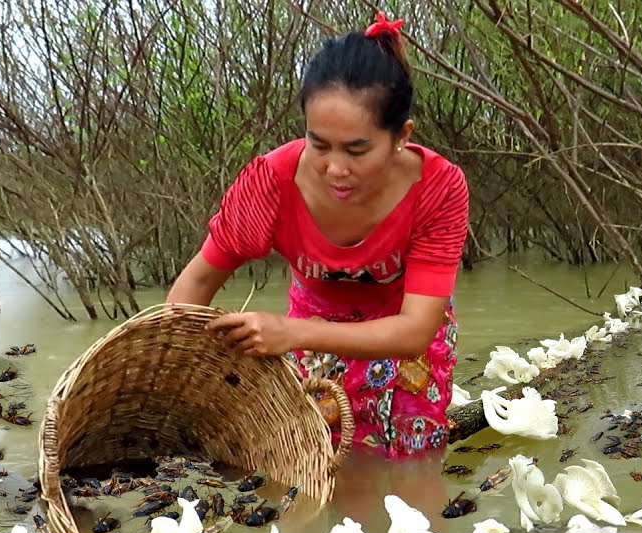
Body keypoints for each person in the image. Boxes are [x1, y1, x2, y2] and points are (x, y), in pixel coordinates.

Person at [166, 12, 470, 461]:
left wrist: (291, 332)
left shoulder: (438, 189)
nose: (335, 169)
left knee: (414, 465)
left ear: (401, 137)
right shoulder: (270, 184)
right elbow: (192, 288)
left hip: (399, 331)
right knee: (326, 463)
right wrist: (176, 372)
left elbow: (414, 331)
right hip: (310, 327)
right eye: (319, 144)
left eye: (357, 149)